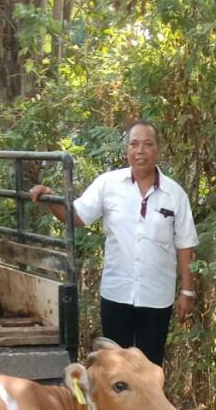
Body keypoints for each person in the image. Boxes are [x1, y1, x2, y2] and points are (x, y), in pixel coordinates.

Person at [28, 120, 198, 367]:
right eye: (134, 144)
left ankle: (146, 408)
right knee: (114, 370)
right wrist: (49, 197)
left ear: (157, 150)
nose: (140, 151)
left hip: (156, 298)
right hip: (116, 293)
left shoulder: (175, 194)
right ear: (127, 150)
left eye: (147, 144)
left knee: (149, 370)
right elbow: (75, 216)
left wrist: (187, 291)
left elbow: (185, 245)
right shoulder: (108, 185)